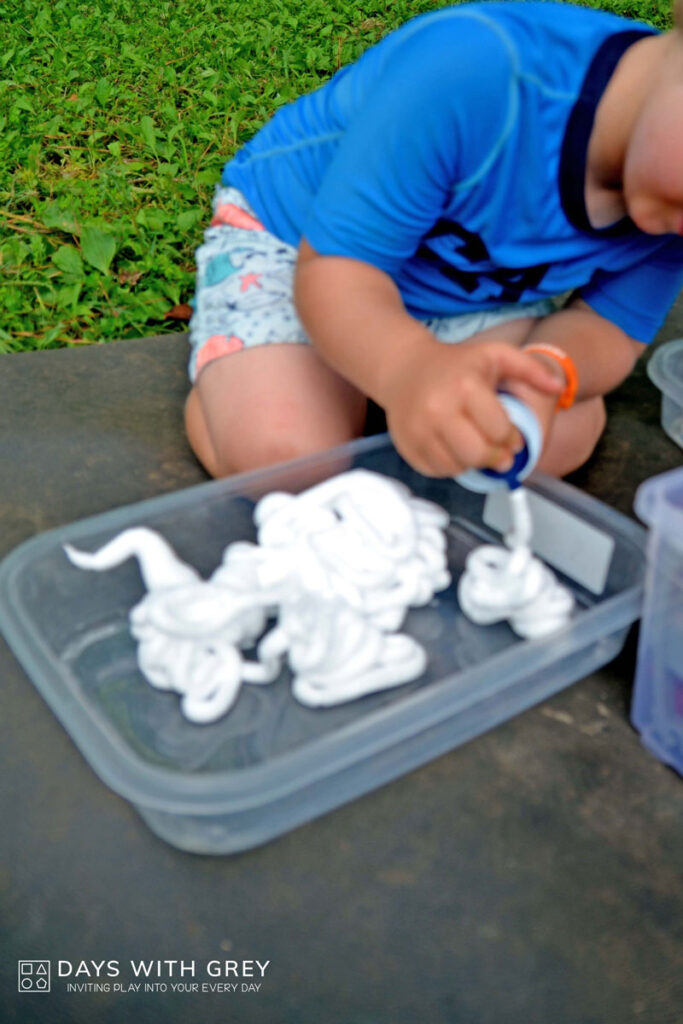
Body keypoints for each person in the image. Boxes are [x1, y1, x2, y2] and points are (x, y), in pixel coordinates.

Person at [184, 0, 683, 481]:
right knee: (285, 455)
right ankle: (240, 378)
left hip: (462, 294)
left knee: (550, 439)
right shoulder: (477, 72)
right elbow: (338, 270)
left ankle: (367, 385)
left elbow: (610, 326)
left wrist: (545, 370)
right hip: (303, 249)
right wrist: (408, 367)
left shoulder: (669, 203)